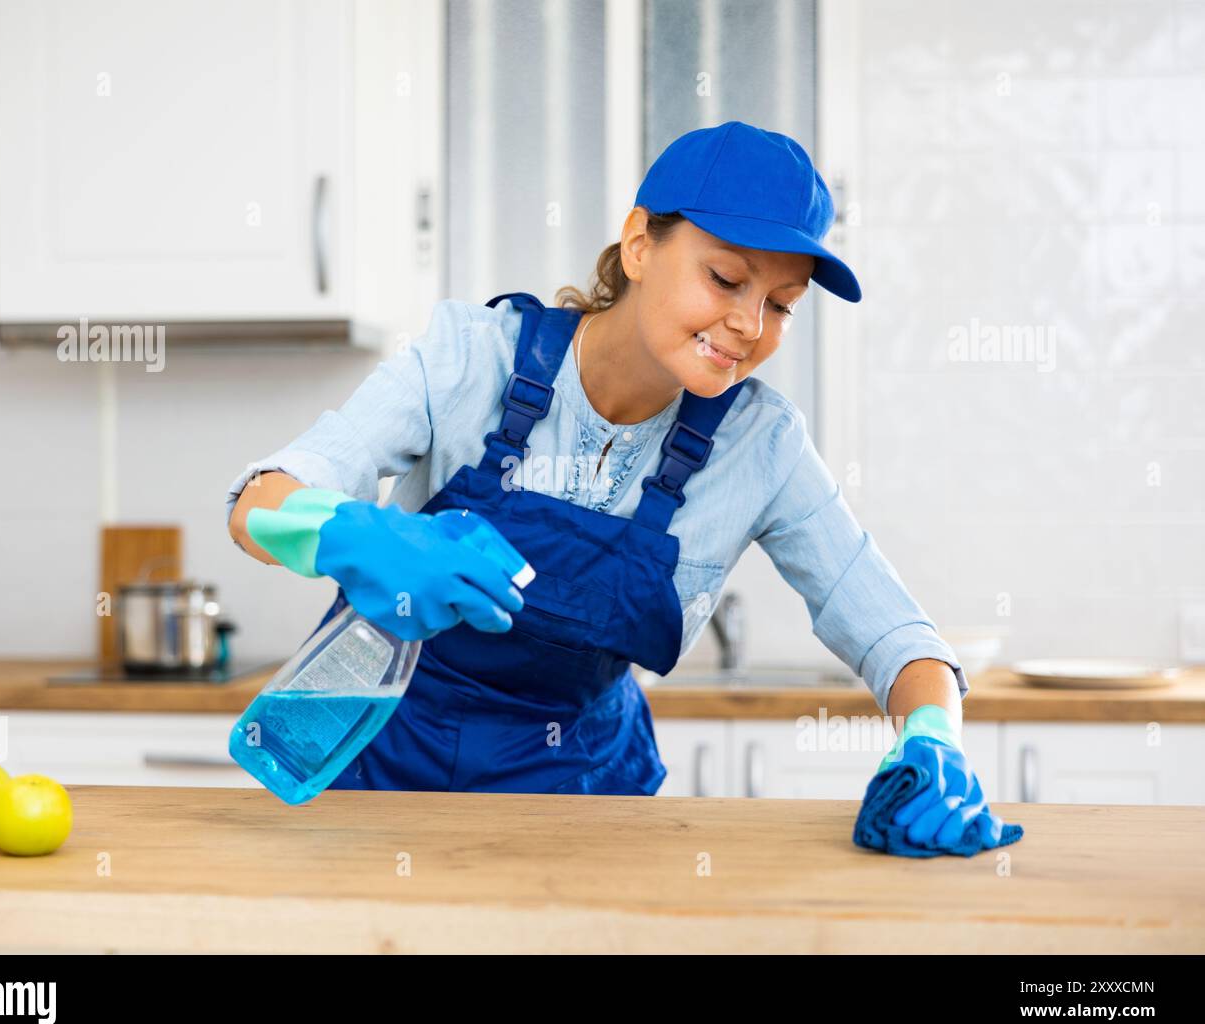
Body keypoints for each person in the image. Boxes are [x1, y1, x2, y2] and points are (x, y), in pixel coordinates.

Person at [225, 120, 1008, 850]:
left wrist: (932, 736)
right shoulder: (472, 360)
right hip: (371, 773)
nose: (748, 323)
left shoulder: (760, 446)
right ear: (639, 244)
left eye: (780, 304)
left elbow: (891, 631)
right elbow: (257, 501)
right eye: (726, 278)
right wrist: (358, 535)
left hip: (585, 807)